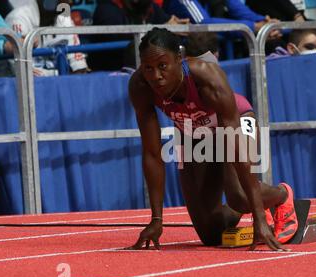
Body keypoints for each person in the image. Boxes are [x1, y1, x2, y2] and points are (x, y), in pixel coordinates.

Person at [125, 27, 298, 251]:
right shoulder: (140, 86)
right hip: (192, 132)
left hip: (233, 122)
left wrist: (258, 220)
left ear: (179, 58)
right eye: (148, 68)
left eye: (162, 66)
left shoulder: (207, 77)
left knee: (238, 197)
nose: (156, 76)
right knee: (210, 233)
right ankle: (256, 202)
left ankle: (281, 196)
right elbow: (152, 153)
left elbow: (238, 152)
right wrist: (157, 220)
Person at [90, 0, 189, 71]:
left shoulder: (149, 6)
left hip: (147, 68)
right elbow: (120, 39)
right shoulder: (107, 8)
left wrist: (181, 27)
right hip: (113, 69)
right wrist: (164, 28)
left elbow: (167, 23)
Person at [5, 0, 90, 76]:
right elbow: (24, 74)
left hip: (59, 83)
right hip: (18, 89)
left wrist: (75, 70)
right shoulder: (18, 18)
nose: (70, 2)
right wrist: (63, 74)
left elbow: (79, 67)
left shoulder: (64, 17)